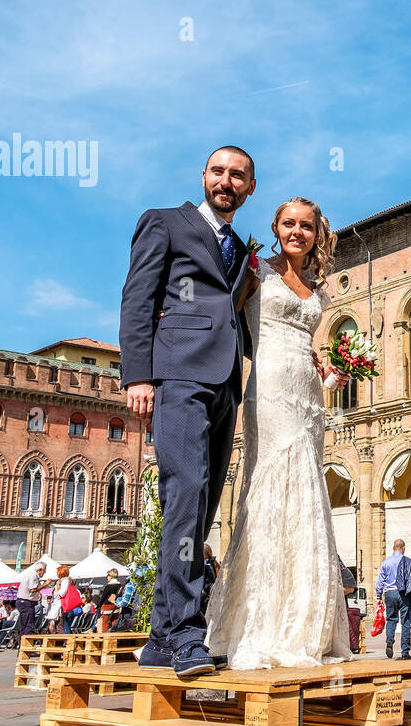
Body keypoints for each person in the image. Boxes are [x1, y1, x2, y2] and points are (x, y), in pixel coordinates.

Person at [120, 147, 260, 678]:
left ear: (251, 187)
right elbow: (138, 297)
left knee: (201, 506)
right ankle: (184, 632)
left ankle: (159, 637)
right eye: (219, 171)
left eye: (238, 176)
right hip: (178, 374)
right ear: (203, 176)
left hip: (226, 380)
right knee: (186, 491)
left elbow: (233, 311)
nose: (226, 181)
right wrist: (138, 374)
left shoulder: (241, 249)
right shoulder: (165, 222)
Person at [203, 196, 354, 671]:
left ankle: (304, 624)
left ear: (316, 234)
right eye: (288, 223)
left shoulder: (318, 288)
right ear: (276, 227)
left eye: (306, 226)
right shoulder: (255, 268)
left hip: (309, 395)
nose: (297, 232)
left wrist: (329, 374)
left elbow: (307, 345)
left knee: (308, 493)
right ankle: (256, 625)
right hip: (267, 389)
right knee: (268, 486)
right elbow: (226, 314)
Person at [374, 539, 411, 660]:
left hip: (390, 593)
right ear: (403, 548)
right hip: (404, 594)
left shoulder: (386, 563)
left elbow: (380, 581)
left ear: (393, 548)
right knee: (405, 621)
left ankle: (390, 640)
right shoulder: (409, 563)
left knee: (391, 619)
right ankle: (405, 652)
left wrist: (379, 596)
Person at [15, 562, 49, 640]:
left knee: (25, 626)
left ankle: (24, 647)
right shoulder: (33, 575)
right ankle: (27, 648)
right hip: (26, 603)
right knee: (28, 626)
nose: (45, 572)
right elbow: (33, 589)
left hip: (26, 602)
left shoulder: (31, 574)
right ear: (40, 570)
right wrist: (45, 584)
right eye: (44, 570)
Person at [98, 569, 124, 633]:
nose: (107, 577)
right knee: (115, 623)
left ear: (111, 576)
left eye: (108, 575)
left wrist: (99, 605)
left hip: (106, 606)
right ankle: (115, 637)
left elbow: (103, 597)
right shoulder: (120, 585)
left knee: (105, 624)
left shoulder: (108, 586)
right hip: (115, 605)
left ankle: (105, 638)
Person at [200, 545, 219, 616]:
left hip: (204, 597)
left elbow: (208, 583)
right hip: (208, 596)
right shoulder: (211, 564)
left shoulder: (206, 566)